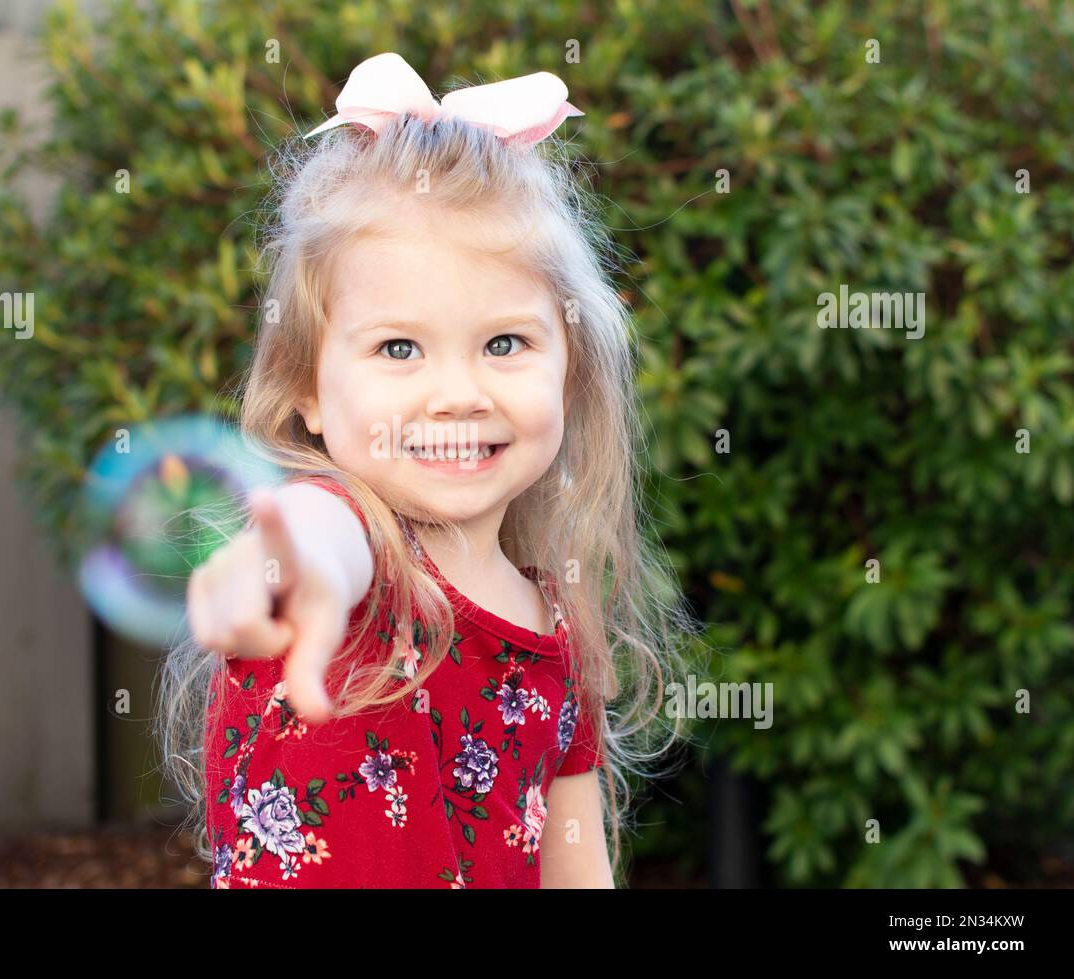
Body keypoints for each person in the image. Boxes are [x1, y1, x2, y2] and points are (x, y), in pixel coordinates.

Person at [156, 52, 700, 889]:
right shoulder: (344, 545)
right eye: (399, 347)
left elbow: (575, 870)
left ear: (571, 369)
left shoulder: (556, 624)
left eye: (505, 343)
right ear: (307, 384)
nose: (457, 394)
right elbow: (321, 538)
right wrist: (285, 567)